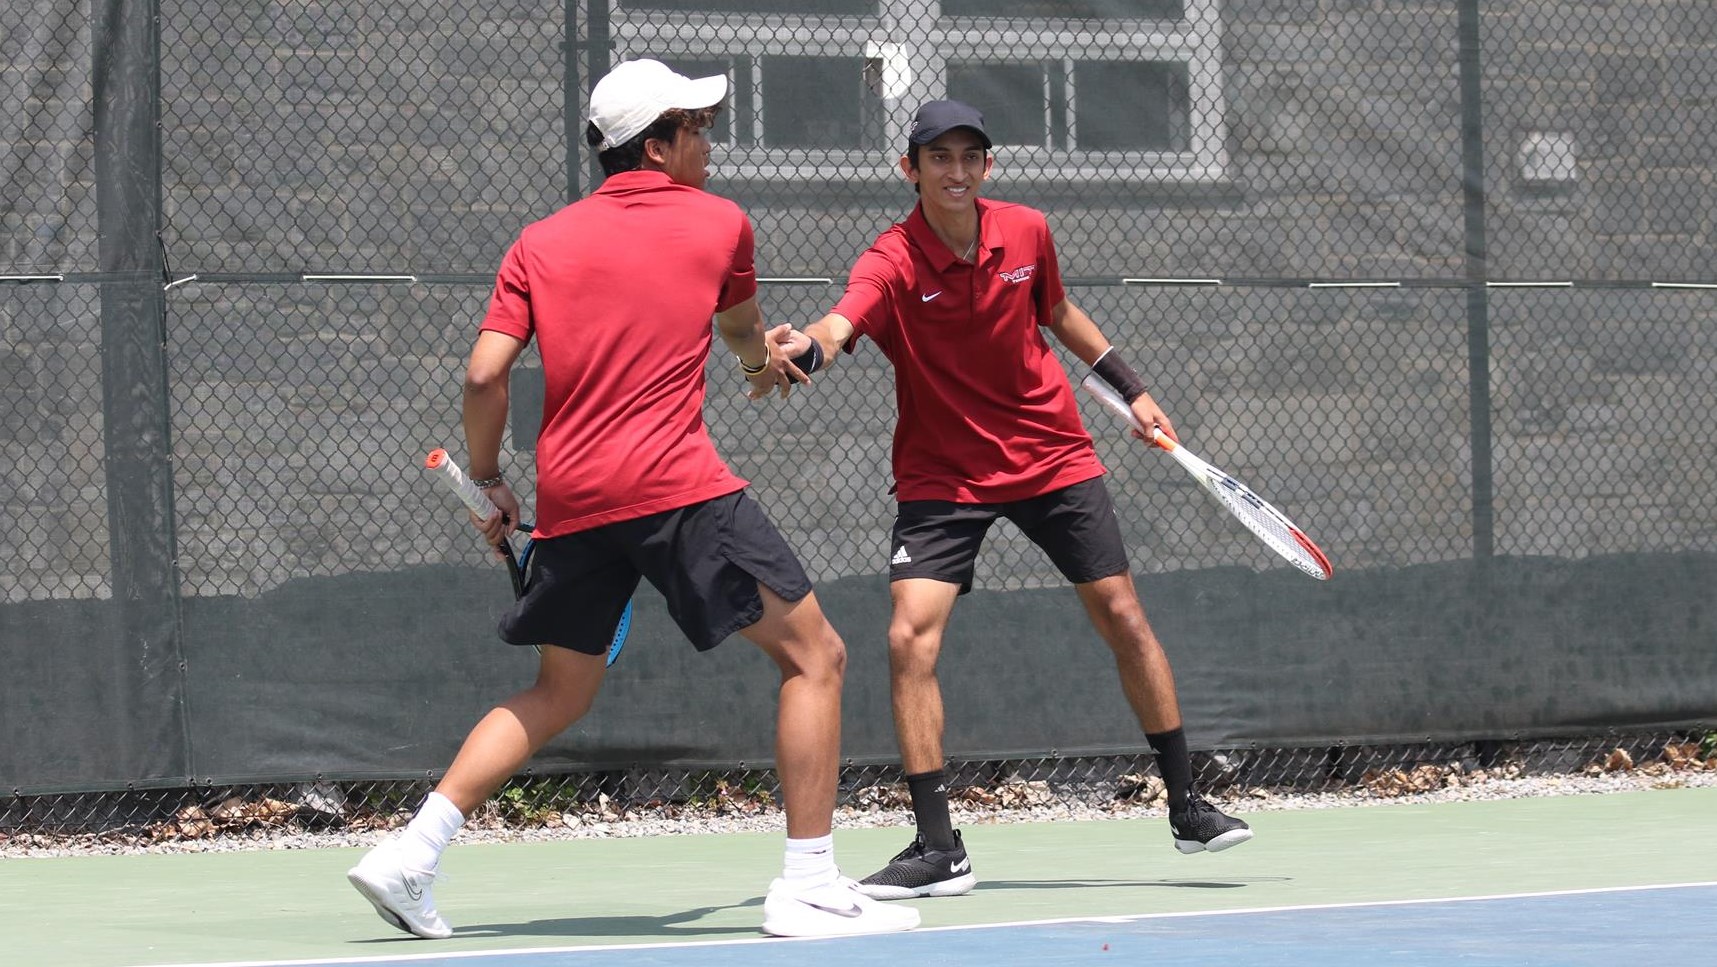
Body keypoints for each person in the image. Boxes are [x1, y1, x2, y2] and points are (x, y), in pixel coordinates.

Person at [344, 59, 919, 940]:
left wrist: (491, 477)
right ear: (656, 144)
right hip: (675, 488)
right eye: (696, 125)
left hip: (573, 498)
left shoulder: (538, 240)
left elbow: (483, 372)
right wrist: (762, 365)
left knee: (558, 689)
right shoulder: (722, 222)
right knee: (816, 657)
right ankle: (807, 882)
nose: (709, 139)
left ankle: (411, 852)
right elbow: (736, 333)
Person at [773, 99, 1252, 901]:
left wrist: (1132, 391)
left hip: (1051, 454)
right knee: (905, 639)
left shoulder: (1025, 231)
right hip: (942, 476)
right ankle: (937, 847)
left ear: (986, 167)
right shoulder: (890, 259)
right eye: (939, 158)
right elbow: (837, 322)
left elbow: (1056, 310)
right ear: (911, 169)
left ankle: (1184, 805)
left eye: (970, 157)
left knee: (1124, 616)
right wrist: (803, 349)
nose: (956, 171)